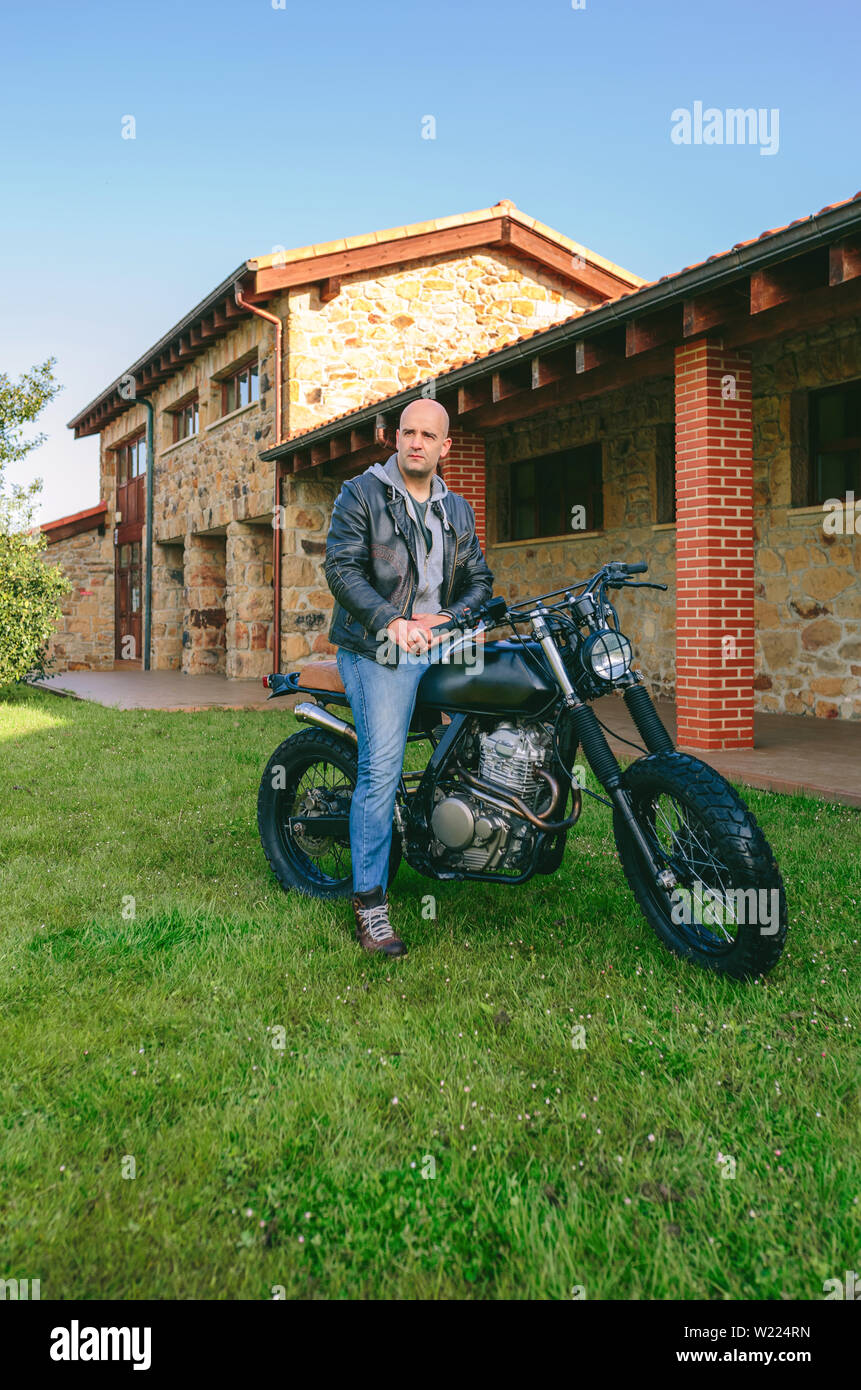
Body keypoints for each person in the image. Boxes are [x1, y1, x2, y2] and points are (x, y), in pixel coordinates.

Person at [324, 398, 494, 956]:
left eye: (429, 435)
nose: (417, 442)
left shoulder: (457, 510)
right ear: (395, 438)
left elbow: (478, 582)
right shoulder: (362, 494)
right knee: (382, 768)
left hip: (440, 639)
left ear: (446, 447)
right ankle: (370, 904)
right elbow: (342, 569)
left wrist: (446, 618)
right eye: (408, 432)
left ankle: (470, 830)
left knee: (497, 719)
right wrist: (389, 621)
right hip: (378, 646)